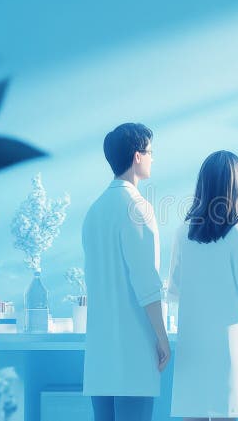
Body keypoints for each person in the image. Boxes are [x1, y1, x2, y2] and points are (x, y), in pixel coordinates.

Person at [168, 150, 238, 421]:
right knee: (228, 413)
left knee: (194, 412)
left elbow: (174, 289)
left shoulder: (182, 233)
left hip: (192, 344)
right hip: (231, 342)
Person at [82, 123, 170, 421]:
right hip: (131, 345)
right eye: (150, 152)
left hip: (99, 349)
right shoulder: (136, 207)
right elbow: (147, 282)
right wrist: (162, 337)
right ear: (137, 156)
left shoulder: (94, 210)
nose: (152, 158)